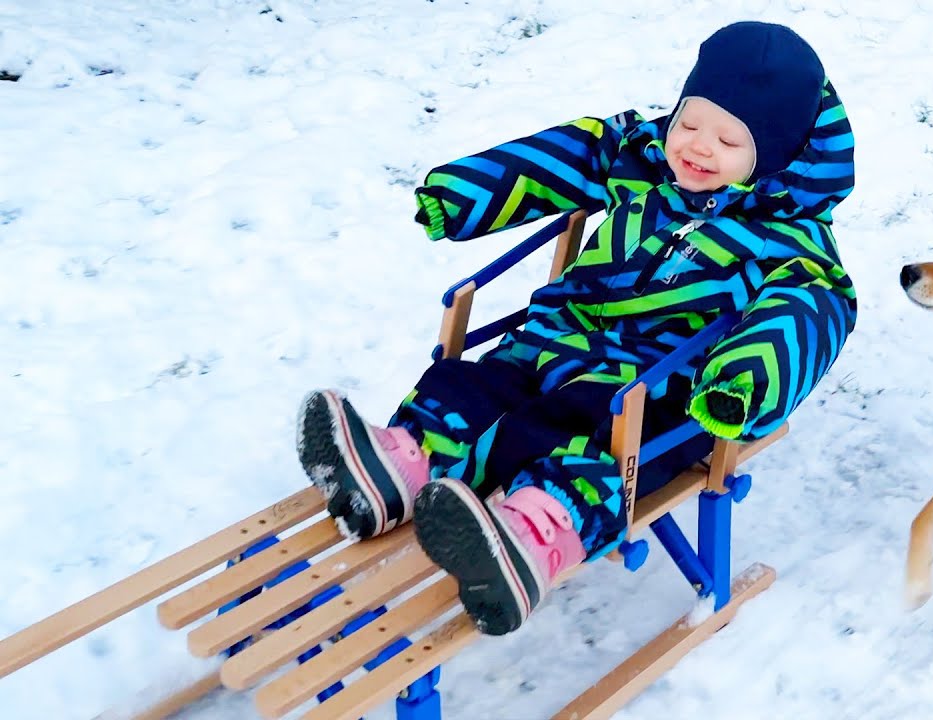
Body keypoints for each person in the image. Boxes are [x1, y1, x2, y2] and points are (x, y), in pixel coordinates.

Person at [296, 21, 858, 636]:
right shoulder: (639, 158)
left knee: (581, 438)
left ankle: (538, 532)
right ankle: (404, 465)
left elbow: (812, 308)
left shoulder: (790, 242)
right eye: (689, 123)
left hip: (656, 385)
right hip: (560, 331)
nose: (698, 147)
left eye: (728, 140)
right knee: (473, 384)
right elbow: (572, 154)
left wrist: (741, 382)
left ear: (772, 156)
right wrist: (464, 194)